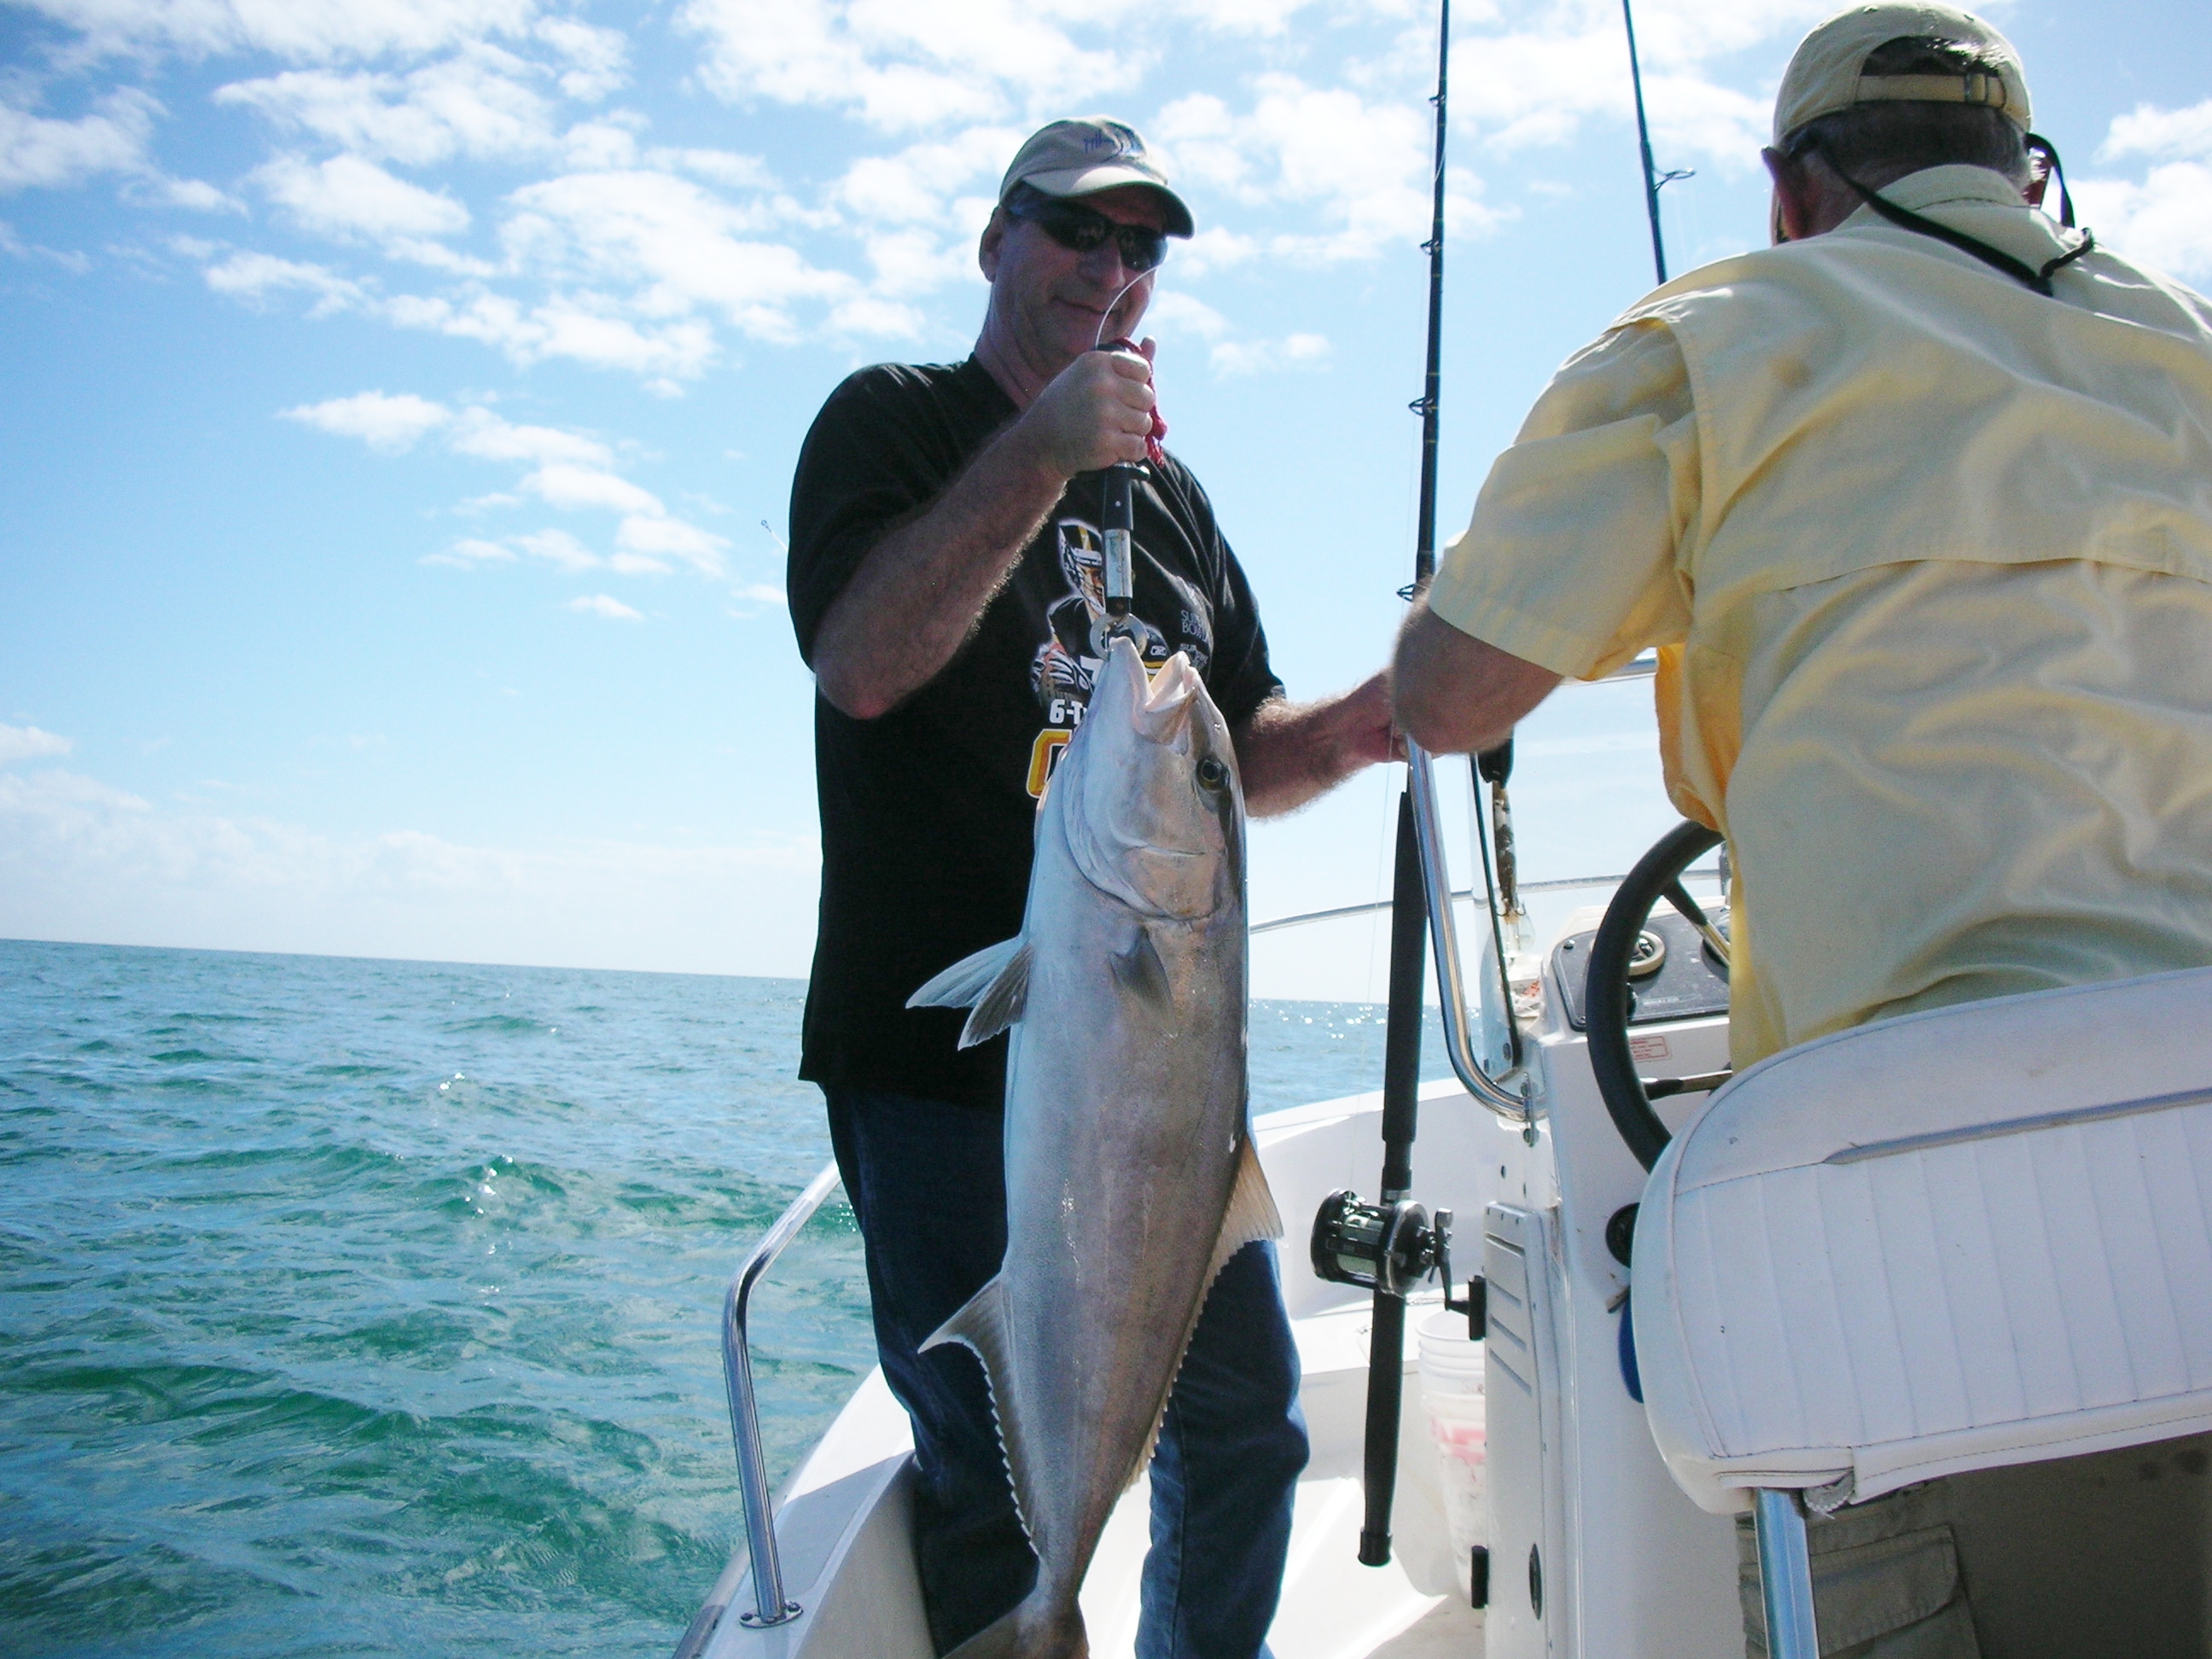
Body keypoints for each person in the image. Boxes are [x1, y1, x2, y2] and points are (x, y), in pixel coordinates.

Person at [1389, 5, 2212, 1654]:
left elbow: (1451, 695)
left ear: (1789, 190)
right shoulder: (2190, 343)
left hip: (1897, 1245)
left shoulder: (1716, 334)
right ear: (2025, 172)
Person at [785, 117, 1395, 1658]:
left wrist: (1384, 719)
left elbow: (1235, 757)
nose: (1110, 270)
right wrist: (1045, 449)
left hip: (1161, 1075)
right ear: (996, 239)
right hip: (939, 1080)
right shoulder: (892, 425)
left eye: (1142, 249)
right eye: (1078, 232)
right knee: (991, 1493)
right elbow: (861, 663)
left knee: (1249, 1437)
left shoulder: (1178, 507)